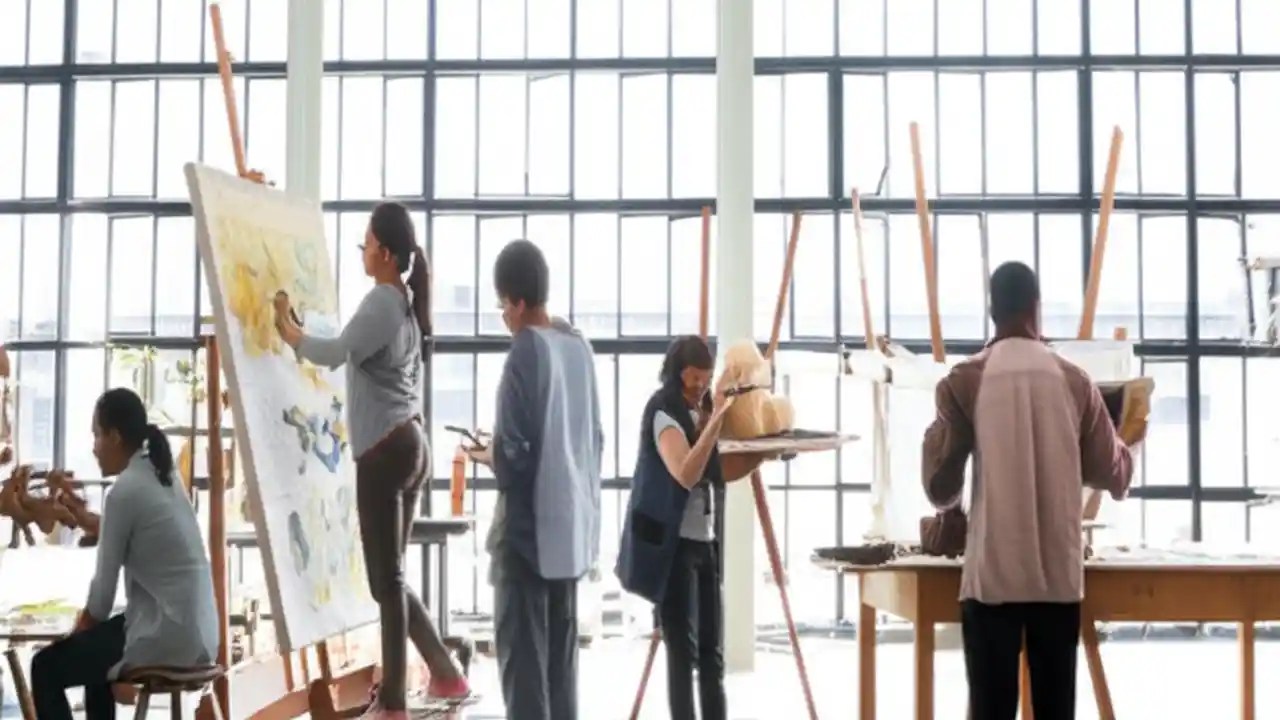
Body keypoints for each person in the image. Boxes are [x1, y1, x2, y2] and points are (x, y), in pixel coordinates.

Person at [921, 261, 1141, 720]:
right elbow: (1113, 475)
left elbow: (942, 490)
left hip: (990, 580)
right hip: (1058, 580)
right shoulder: (1076, 382)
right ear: (1036, 310)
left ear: (991, 311)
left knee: (990, 711)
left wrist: (936, 439)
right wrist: (1131, 440)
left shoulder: (965, 381)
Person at [274, 202, 467, 718]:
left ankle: (396, 701)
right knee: (394, 577)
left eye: (364, 243)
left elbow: (337, 352)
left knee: (387, 582)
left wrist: (291, 335)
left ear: (383, 251)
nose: (361, 251)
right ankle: (446, 674)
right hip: (409, 445)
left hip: (386, 450)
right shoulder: (402, 303)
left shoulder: (382, 301)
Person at [464, 239, 603, 720]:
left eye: (503, 305)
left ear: (518, 302)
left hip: (526, 539)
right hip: (570, 535)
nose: (503, 316)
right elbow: (593, 439)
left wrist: (488, 453)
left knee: (524, 677)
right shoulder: (578, 347)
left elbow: (516, 456)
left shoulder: (525, 349)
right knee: (561, 676)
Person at [30, 388, 219, 720]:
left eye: (97, 435)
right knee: (95, 659)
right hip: (199, 634)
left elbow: (101, 599)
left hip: (169, 636)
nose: (94, 447)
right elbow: (130, 532)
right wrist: (83, 517)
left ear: (115, 437)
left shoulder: (125, 490)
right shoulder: (161, 475)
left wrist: (75, 635)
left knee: (45, 666)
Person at [615, 336, 772, 720]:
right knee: (682, 656)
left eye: (705, 378)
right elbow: (685, 473)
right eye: (694, 378)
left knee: (711, 654)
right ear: (678, 373)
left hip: (704, 540)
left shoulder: (697, 407)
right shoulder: (663, 411)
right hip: (672, 546)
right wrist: (717, 416)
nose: (700, 385)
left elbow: (720, 463)